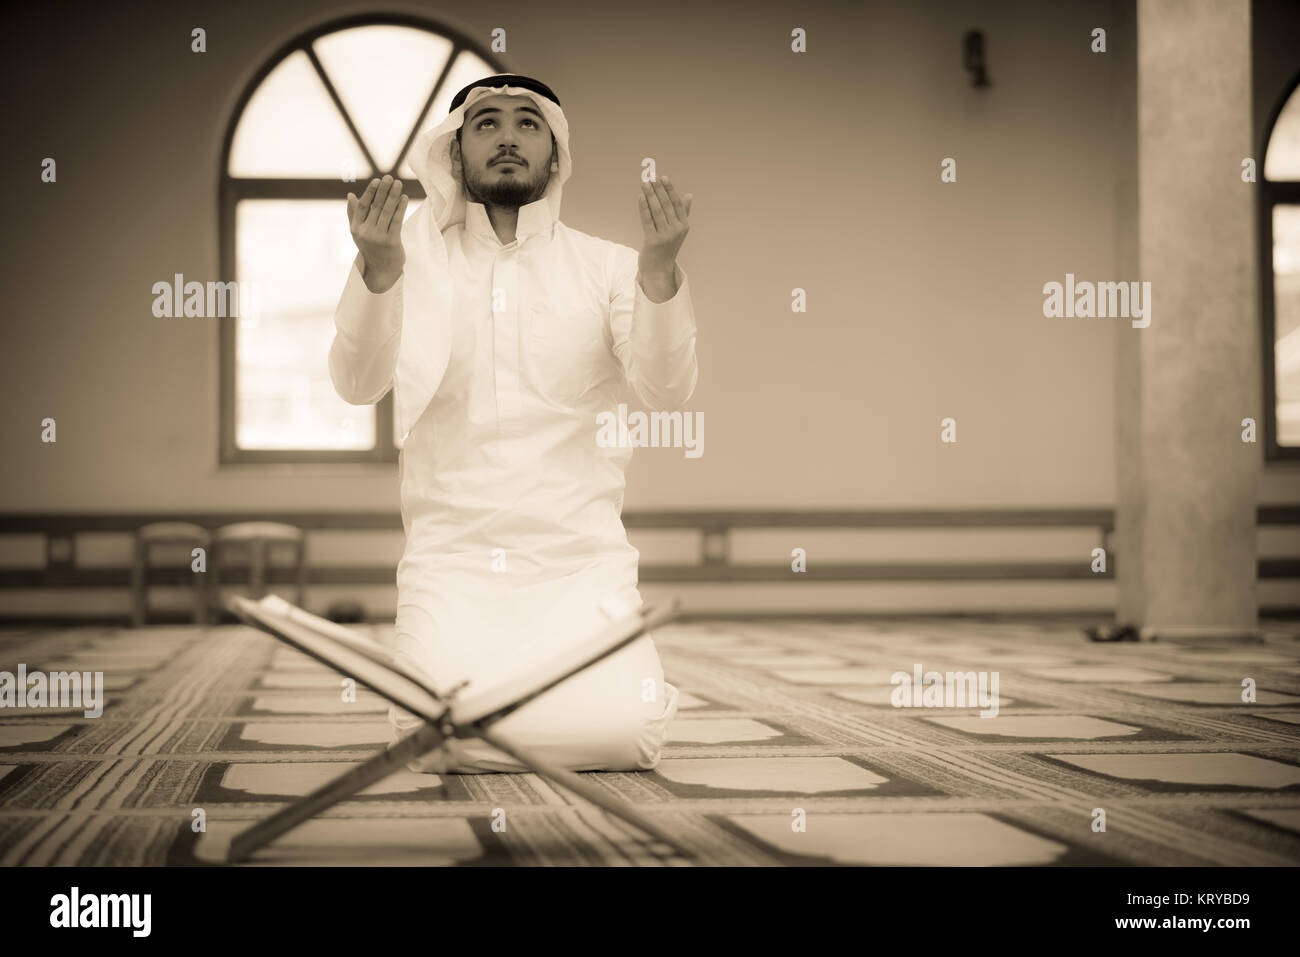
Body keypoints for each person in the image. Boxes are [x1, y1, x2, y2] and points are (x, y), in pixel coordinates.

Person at [328, 74, 699, 773]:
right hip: (454, 565)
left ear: (555, 155)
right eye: (486, 123)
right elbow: (355, 383)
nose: (506, 136)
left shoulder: (611, 267)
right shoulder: (412, 263)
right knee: (432, 734)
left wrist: (659, 276)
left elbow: (667, 390)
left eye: (527, 123)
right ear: (455, 152)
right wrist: (378, 275)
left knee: (625, 732)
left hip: (579, 565)